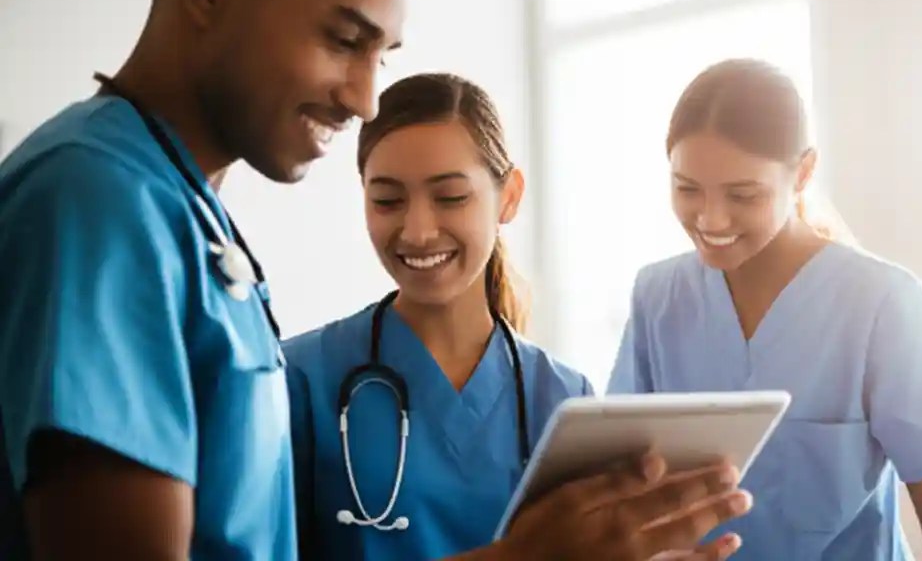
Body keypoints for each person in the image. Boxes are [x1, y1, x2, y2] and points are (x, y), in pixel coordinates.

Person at [0, 0, 748, 559]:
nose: (364, 99)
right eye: (341, 38)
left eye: (380, 55)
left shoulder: (187, 221)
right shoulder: (97, 201)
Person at [285, 73, 746, 561]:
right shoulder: (299, 379)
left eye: (450, 197)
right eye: (387, 200)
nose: (417, 231)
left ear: (508, 196)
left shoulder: (564, 397)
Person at [609, 59, 922, 560]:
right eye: (687, 189)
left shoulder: (882, 305)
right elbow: (623, 491)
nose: (710, 217)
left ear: (803, 172)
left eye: (742, 195)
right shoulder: (657, 297)